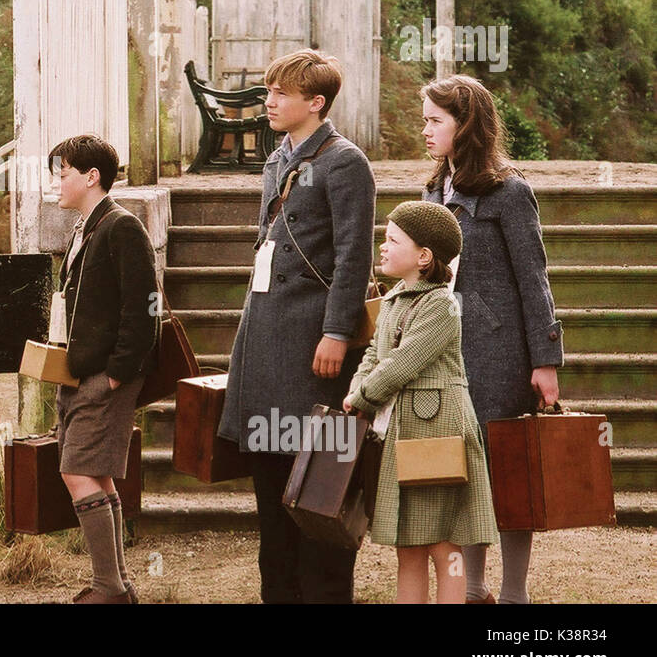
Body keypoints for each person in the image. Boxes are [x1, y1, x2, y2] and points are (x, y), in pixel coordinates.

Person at [217, 48, 376, 604]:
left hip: (314, 347)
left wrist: (337, 332)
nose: (269, 101)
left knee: (320, 487)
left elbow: (355, 256)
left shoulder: (345, 161)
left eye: (280, 93)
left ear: (316, 102)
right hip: (265, 341)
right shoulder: (276, 158)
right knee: (271, 486)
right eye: (269, 91)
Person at [418, 74, 562, 605]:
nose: (426, 130)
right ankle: (471, 587)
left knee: (508, 473)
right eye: (425, 119)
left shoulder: (510, 190)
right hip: (444, 355)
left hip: (500, 356)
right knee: (460, 474)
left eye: (436, 121)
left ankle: (514, 594)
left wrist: (545, 359)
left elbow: (534, 280)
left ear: (467, 124)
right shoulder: (433, 190)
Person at [343, 201, 498, 604]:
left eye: (392, 240)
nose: (382, 246)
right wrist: (355, 389)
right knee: (408, 544)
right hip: (401, 433)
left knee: (444, 545)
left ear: (424, 256)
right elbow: (375, 357)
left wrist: (362, 396)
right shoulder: (394, 299)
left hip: (437, 435)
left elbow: (403, 363)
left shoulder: (440, 305)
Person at [49, 133, 158, 604]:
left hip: (104, 377)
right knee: (98, 475)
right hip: (78, 372)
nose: (57, 181)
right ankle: (118, 586)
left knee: (77, 472)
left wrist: (117, 373)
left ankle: (108, 587)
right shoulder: (83, 228)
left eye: (65, 172)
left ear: (92, 177)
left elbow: (144, 307)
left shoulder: (121, 226)